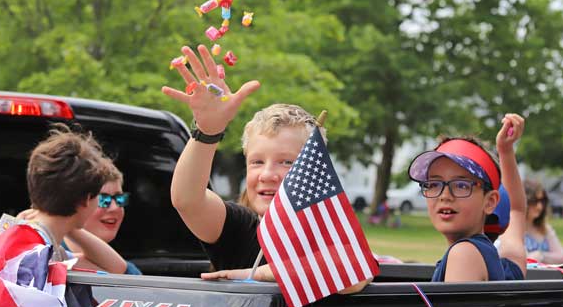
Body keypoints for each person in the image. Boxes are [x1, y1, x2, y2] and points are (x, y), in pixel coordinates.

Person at [162, 44, 370, 293]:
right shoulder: (239, 227)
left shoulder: (326, 230)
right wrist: (208, 132)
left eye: (287, 162)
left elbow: (351, 274)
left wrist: (261, 274)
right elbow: (187, 199)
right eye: (257, 162)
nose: (268, 175)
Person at [407, 115, 527, 282]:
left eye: (461, 185)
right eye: (434, 184)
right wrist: (505, 150)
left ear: (490, 202)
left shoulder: (463, 254)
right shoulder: (502, 267)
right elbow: (516, 211)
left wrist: (505, 150)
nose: (445, 195)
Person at [0, 127, 129, 273]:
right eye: (101, 198)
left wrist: (68, 223)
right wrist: (69, 221)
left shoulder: (33, 241)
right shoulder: (37, 250)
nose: (112, 206)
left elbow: (117, 268)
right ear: (86, 199)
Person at [64, 167, 142, 274]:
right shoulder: (45, 253)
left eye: (119, 198)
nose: (115, 208)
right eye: (103, 200)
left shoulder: (129, 273)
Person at [522, 180, 563, 264]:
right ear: (524, 201)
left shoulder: (545, 228)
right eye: (534, 201)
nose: (540, 207)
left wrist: (541, 256)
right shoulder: (512, 229)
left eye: (542, 201)